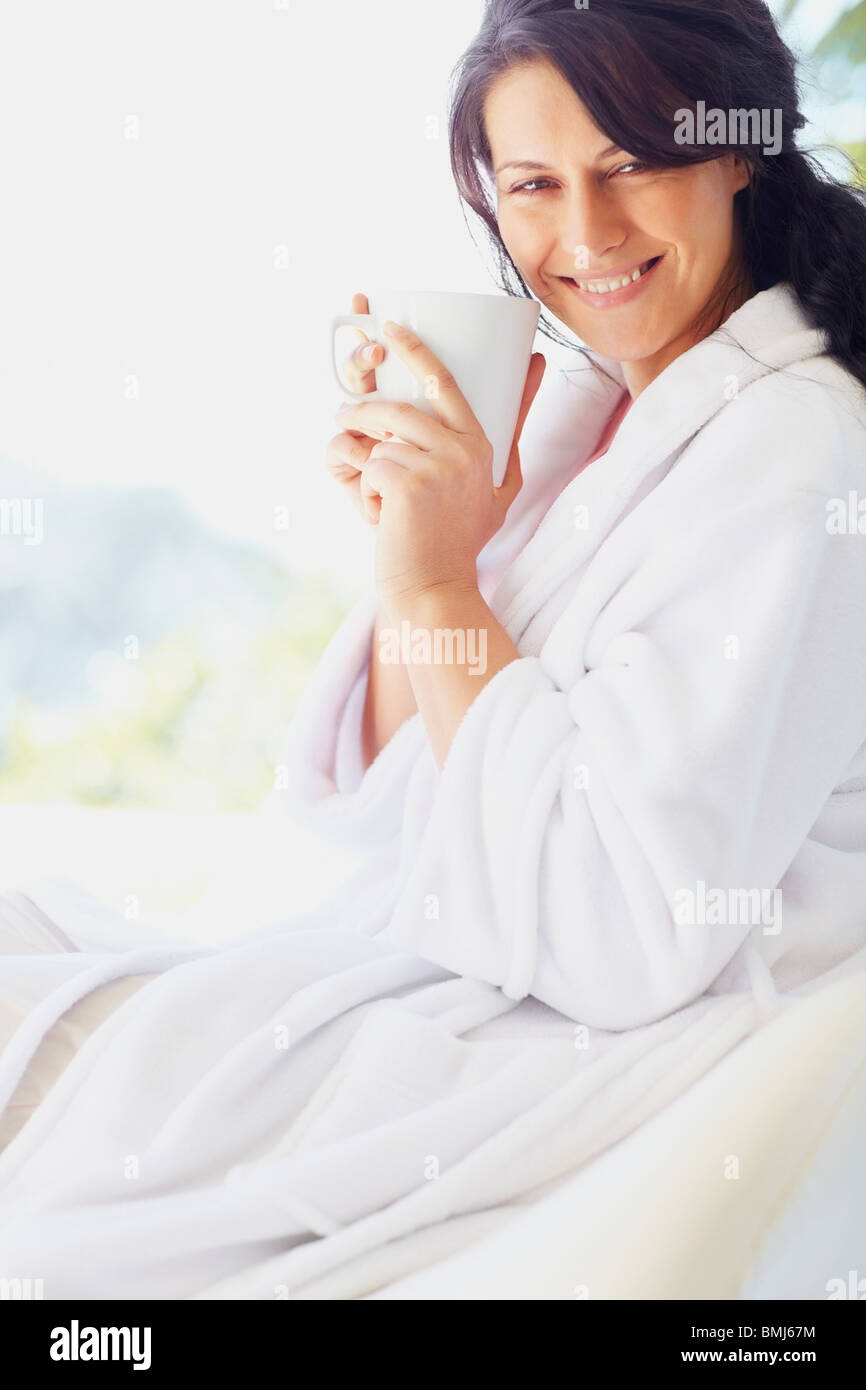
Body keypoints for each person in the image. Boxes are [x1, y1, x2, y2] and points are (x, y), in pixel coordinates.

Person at [1, 0, 865, 1299]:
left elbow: (621, 920)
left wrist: (436, 577)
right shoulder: (583, 423)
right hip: (414, 964)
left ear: (739, 148)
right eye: (532, 185)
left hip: (548, 1045)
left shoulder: (798, 450)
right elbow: (373, 813)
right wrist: (443, 529)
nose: (584, 235)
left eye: (631, 164)